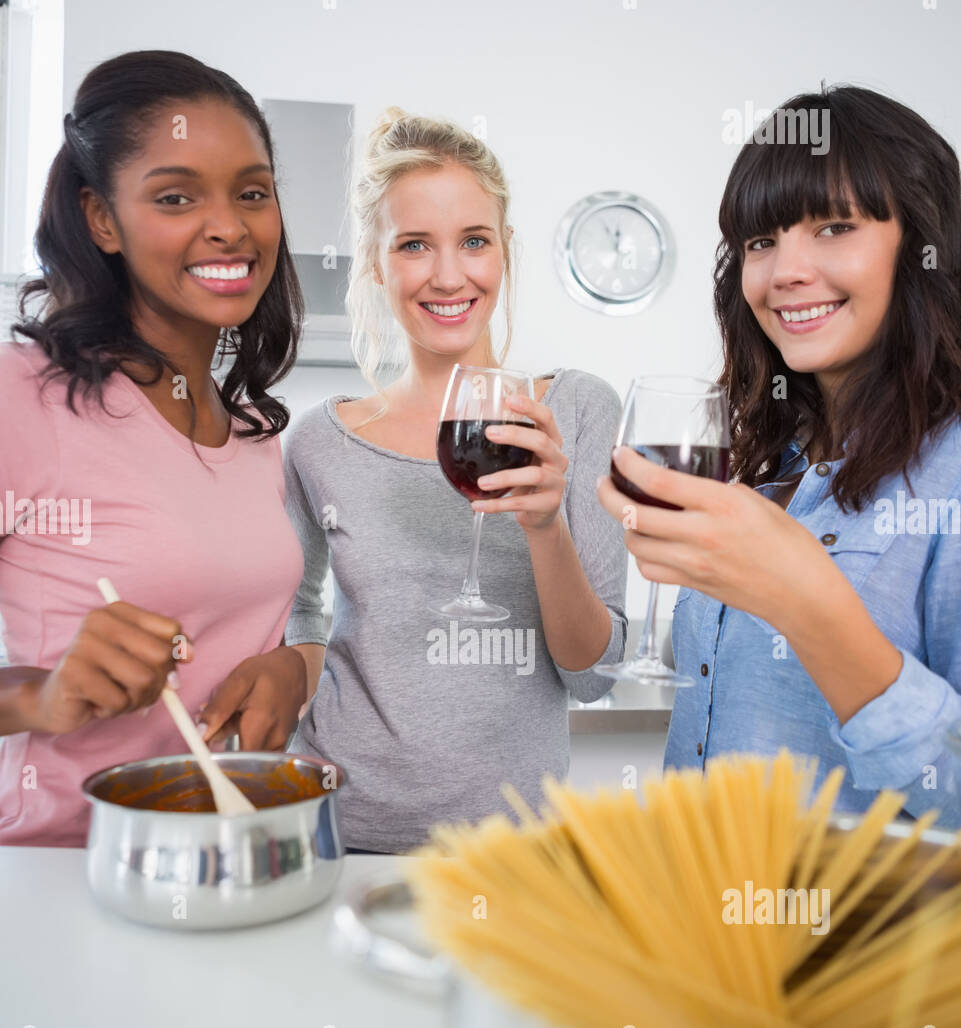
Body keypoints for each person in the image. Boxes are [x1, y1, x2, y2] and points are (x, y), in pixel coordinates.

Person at [202, 109, 627, 852]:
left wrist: (543, 526)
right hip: (339, 828)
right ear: (374, 260)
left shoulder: (575, 411)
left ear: (504, 252)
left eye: (473, 241)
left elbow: (594, 674)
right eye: (413, 245)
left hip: (515, 850)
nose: (448, 275)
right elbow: (304, 616)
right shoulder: (320, 442)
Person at [598, 86, 961, 827]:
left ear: (922, 246)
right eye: (760, 241)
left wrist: (807, 601)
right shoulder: (773, 457)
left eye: (833, 227)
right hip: (698, 920)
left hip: (855, 939)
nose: (783, 271)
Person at [0, 50, 308, 846]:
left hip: (229, 857)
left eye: (252, 192)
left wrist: (286, 668)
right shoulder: (21, 396)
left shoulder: (252, 433)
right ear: (102, 219)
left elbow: (239, 630)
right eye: (176, 196)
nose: (229, 226)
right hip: (65, 876)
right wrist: (39, 697)